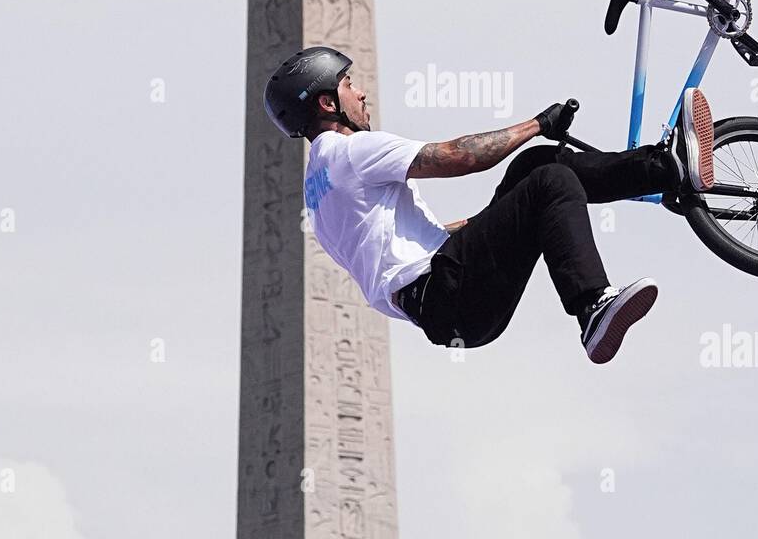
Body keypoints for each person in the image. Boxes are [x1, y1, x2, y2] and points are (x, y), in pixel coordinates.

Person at [264, 46, 714, 364]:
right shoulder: (349, 152)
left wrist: (488, 219)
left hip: (448, 308)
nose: (361, 93)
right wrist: (537, 123)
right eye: (348, 84)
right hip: (447, 291)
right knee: (550, 180)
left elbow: (404, 248)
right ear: (327, 102)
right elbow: (458, 156)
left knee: (533, 168)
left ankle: (667, 167)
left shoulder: (317, 194)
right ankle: (593, 308)